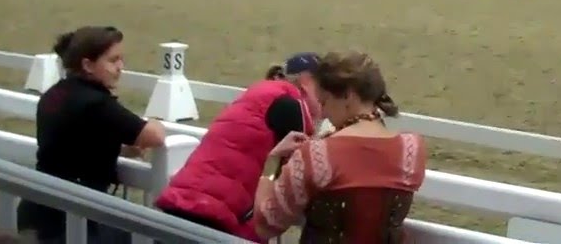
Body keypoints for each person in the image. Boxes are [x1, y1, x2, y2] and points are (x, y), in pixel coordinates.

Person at [251, 52, 427, 243]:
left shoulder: (316, 156)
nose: (323, 113)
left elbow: (266, 224)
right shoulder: (412, 150)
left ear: (347, 96)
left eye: (324, 102)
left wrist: (271, 164)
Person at [17, 26, 166, 244]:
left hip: (38, 210)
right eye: (113, 60)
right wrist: (156, 121)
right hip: (74, 219)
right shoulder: (96, 103)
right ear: (87, 65)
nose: (120, 67)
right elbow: (154, 136)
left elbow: (73, 142)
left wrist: (121, 149)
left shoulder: (55, 93)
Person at [155, 53, 323, 241]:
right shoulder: (291, 105)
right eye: (326, 89)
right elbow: (310, 168)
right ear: (306, 83)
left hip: (183, 201)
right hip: (214, 216)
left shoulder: (258, 94)